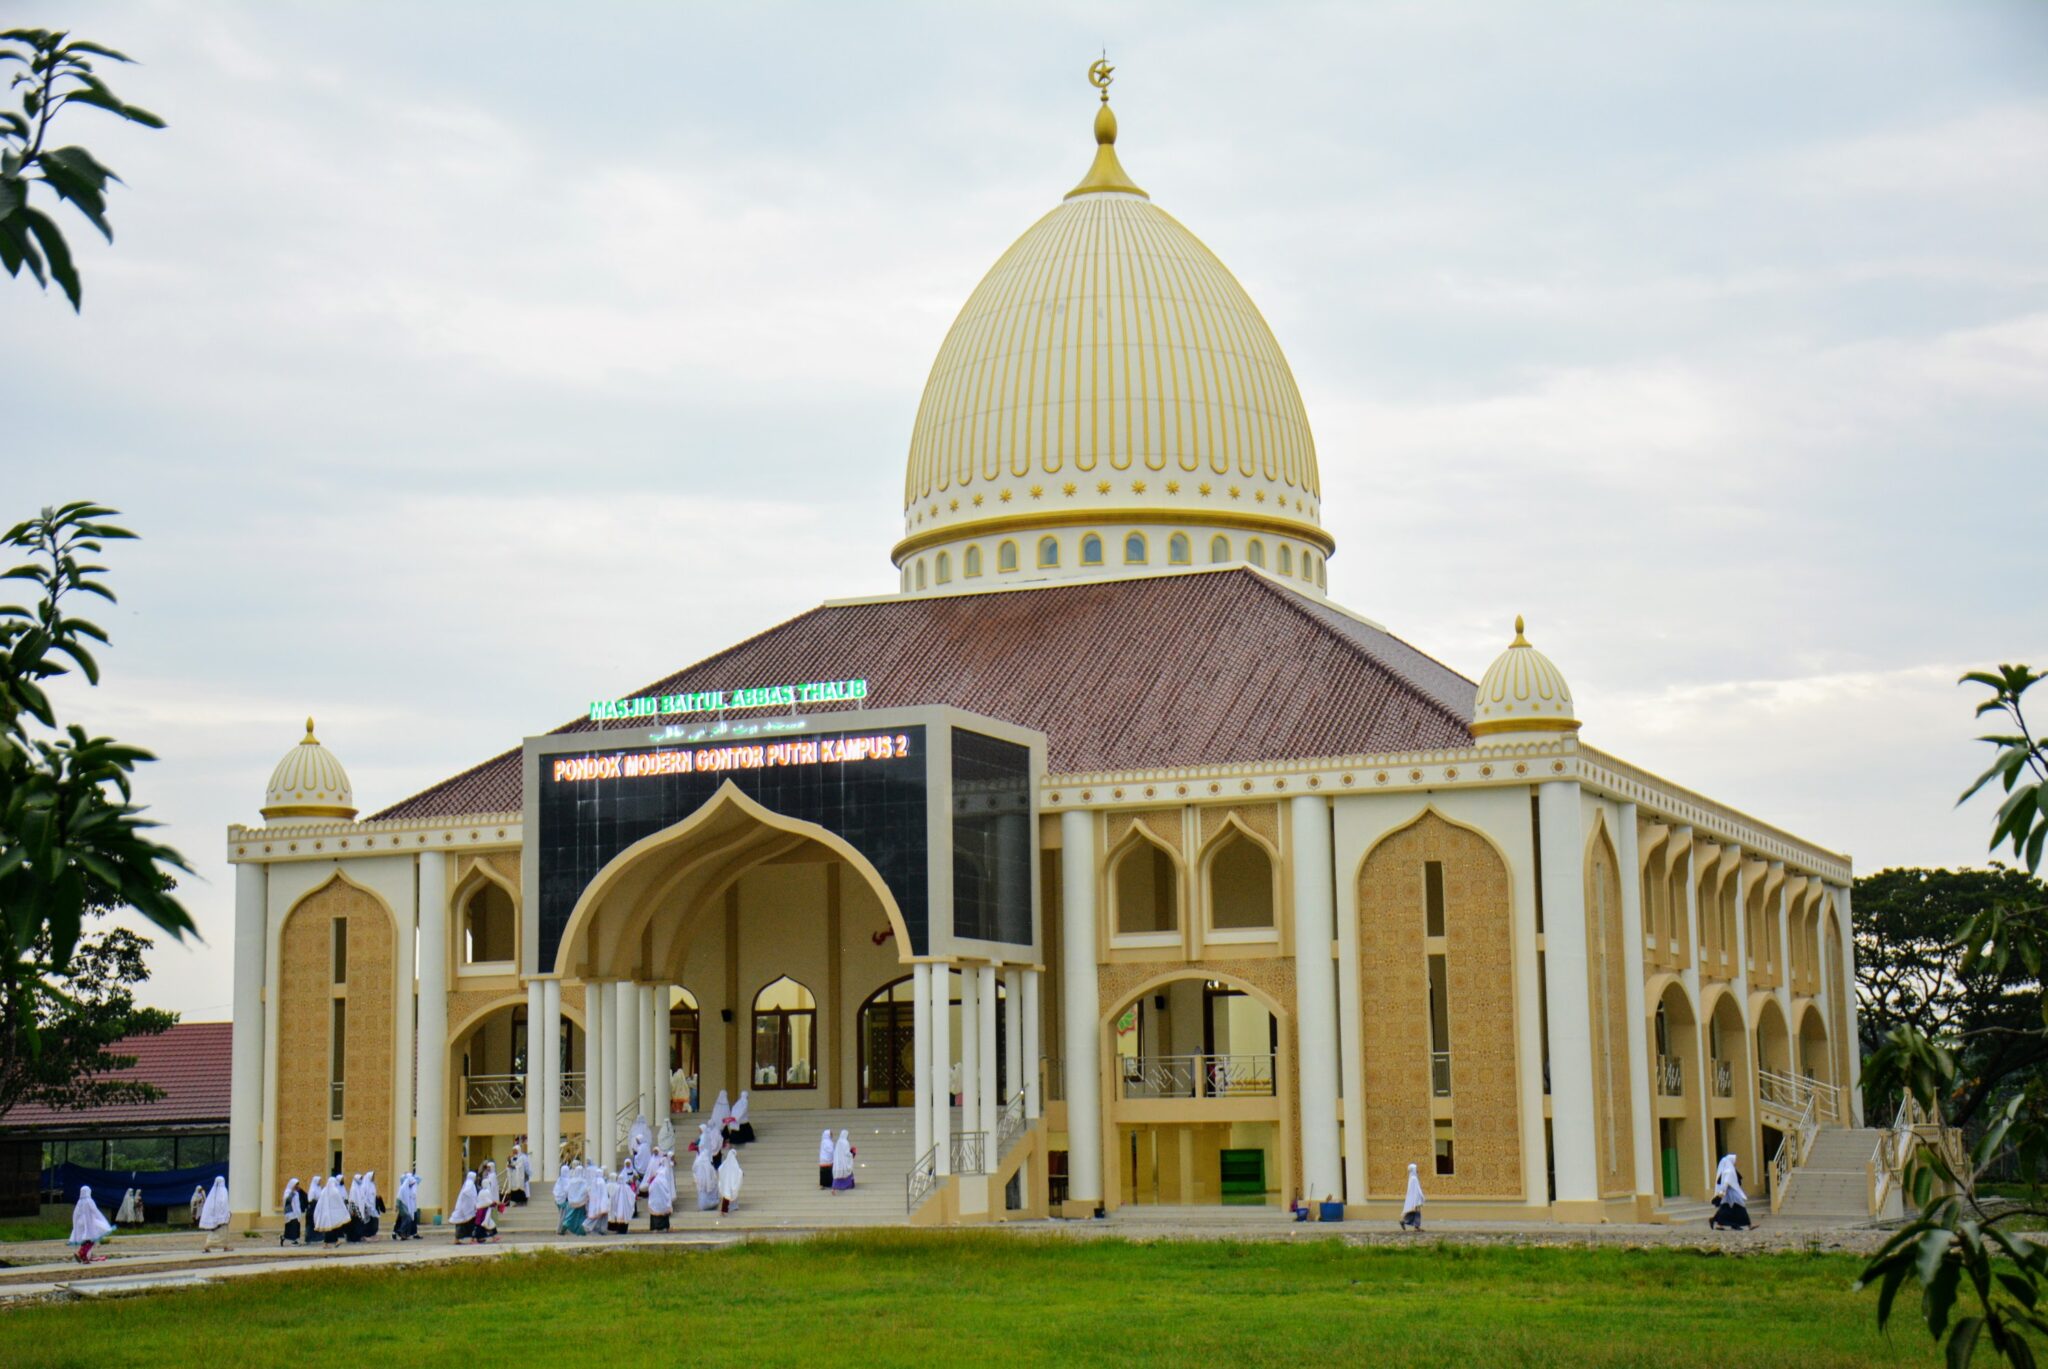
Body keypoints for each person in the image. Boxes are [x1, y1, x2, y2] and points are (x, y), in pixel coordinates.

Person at [70, 1185, 113, 1264]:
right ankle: (81, 1253)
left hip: (81, 1224)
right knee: (92, 1239)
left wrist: (76, 1225)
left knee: (86, 1239)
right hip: (89, 1223)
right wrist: (101, 1219)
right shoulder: (89, 1201)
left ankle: (85, 1257)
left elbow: (75, 1215)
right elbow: (95, 1211)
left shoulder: (79, 1202)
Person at [1711, 1154, 1753, 1231]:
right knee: (1739, 1208)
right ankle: (1747, 1225)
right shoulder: (1729, 1171)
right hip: (1732, 1194)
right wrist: (1722, 1192)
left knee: (1727, 1209)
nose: (1735, 1162)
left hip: (1729, 1194)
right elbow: (1726, 1182)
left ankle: (1723, 1223)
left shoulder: (1728, 1170)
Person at [314, 1170, 351, 1246]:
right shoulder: (335, 1191)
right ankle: (331, 1242)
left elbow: (320, 1203)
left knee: (329, 1229)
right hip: (333, 1213)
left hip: (326, 1213)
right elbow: (340, 1202)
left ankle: (330, 1243)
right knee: (333, 1228)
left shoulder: (324, 1191)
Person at [199, 1175, 233, 1251]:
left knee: (216, 1232)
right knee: (222, 1232)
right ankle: (208, 1245)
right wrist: (227, 1214)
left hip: (214, 1217)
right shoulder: (224, 1191)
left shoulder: (212, 1193)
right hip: (223, 1217)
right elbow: (224, 1204)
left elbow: (209, 1206)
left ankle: (224, 1246)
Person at [647, 1154, 675, 1232]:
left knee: (656, 1210)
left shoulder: (659, 1171)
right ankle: (663, 1227)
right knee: (662, 1209)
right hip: (661, 1195)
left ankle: (656, 1227)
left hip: (657, 1196)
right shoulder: (664, 1171)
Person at [693, 1135, 719, 1212]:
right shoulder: (705, 1163)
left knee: (704, 1196)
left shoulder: (701, 1162)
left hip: (703, 1183)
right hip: (705, 1182)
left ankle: (706, 1206)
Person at [393, 1170, 420, 1240]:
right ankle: (401, 1231)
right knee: (407, 1218)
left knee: (407, 1219)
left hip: (406, 1206)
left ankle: (404, 1234)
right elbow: (398, 1197)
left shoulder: (408, 1189)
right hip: (402, 1205)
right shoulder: (403, 1188)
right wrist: (396, 1206)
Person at [716, 1145, 743, 1215]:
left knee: (726, 1196)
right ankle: (728, 1209)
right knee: (731, 1195)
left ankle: (726, 1209)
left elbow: (720, 1169)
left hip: (726, 1183)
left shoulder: (725, 1165)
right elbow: (739, 1173)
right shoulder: (735, 1165)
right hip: (732, 1183)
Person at [585, 1164, 609, 1236]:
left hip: (594, 1202)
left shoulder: (594, 1181)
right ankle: (601, 1229)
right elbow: (604, 1193)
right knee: (602, 1217)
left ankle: (595, 1228)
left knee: (596, 1216)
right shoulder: (601, 1181)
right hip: (602, 1202)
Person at [1401, 1163, 1425, 1232]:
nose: (1417, 1171)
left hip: (1415, 1199)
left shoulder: (1412, 1178)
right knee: (1417, 1212)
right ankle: (1416, 1226)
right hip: (1416, 1199)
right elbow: (1416, 1190)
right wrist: (1418, 1199)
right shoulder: (1414, 1179)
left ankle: (1404, 1221)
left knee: (1414, 1212)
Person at [609, 1170, 635, 1234]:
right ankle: (624, 1230)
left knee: (619, 1217)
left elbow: (613, 1197)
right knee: (624, 1217)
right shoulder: (627, 1188)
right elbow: (632, 1196)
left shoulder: (617, 1188)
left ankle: (620, 1230)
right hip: (624, 1207)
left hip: (619, 1207)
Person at [281, 1178, 305, 1245]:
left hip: (296, 1212)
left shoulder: (296, 1193)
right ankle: (293, 1240)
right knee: (292, 1226)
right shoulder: (288, 1192)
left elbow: (297, 1203)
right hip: (290, 1212)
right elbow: (287, 1200)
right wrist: (291, 1193)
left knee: (297, 1226)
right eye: (296, 1185)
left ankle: (291, 1239)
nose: (297, 1186)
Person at [359, 1171, 382, 1239]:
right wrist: (367, 1205)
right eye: (372, 1176)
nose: (373, 1178)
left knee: (374, 1220)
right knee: (368, 1221)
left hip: (373, 1206)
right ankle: (366, 1235)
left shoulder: (372, 1185)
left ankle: (372, 1234)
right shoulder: (364, 1186)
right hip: (367, 1206)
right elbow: (363, 1196)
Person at [302, 1176, 324, 1244]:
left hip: (319, 1207)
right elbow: (310, 1199)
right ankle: (310, 1238)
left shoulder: (319, 1188)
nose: (320, 1182)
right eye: (319, 1181)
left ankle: (318, 1238)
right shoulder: (313, 1189)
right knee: (311, 1223)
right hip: (313, 1208)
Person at [508, 1141, 530, 1205]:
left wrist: (513, 1166)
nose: (514, 1152)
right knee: (514, 1189)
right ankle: (514, 1201)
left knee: (519, 1189)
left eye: (515, 1150)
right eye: (513, 1150)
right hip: (513, 1176)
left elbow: (519, 1166)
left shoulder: (521, 1158)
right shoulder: (512, 1158)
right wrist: (509, 1160)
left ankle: (521, 1201)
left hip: (519, 1176)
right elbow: (510, 1164)